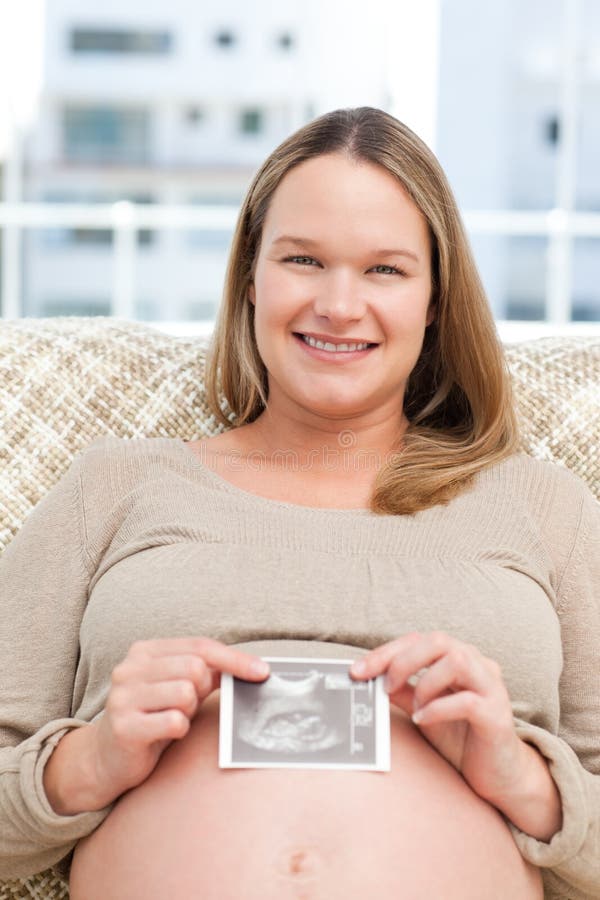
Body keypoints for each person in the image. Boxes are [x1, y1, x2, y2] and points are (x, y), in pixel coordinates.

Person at [0, 106, 598, 900]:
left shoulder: (544, 507)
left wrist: (522, 777)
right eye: (304, 260)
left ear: (433, 298)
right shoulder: (112, 488)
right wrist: (87, 763)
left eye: (385, 269)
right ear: (251, 277)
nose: (339, 305)